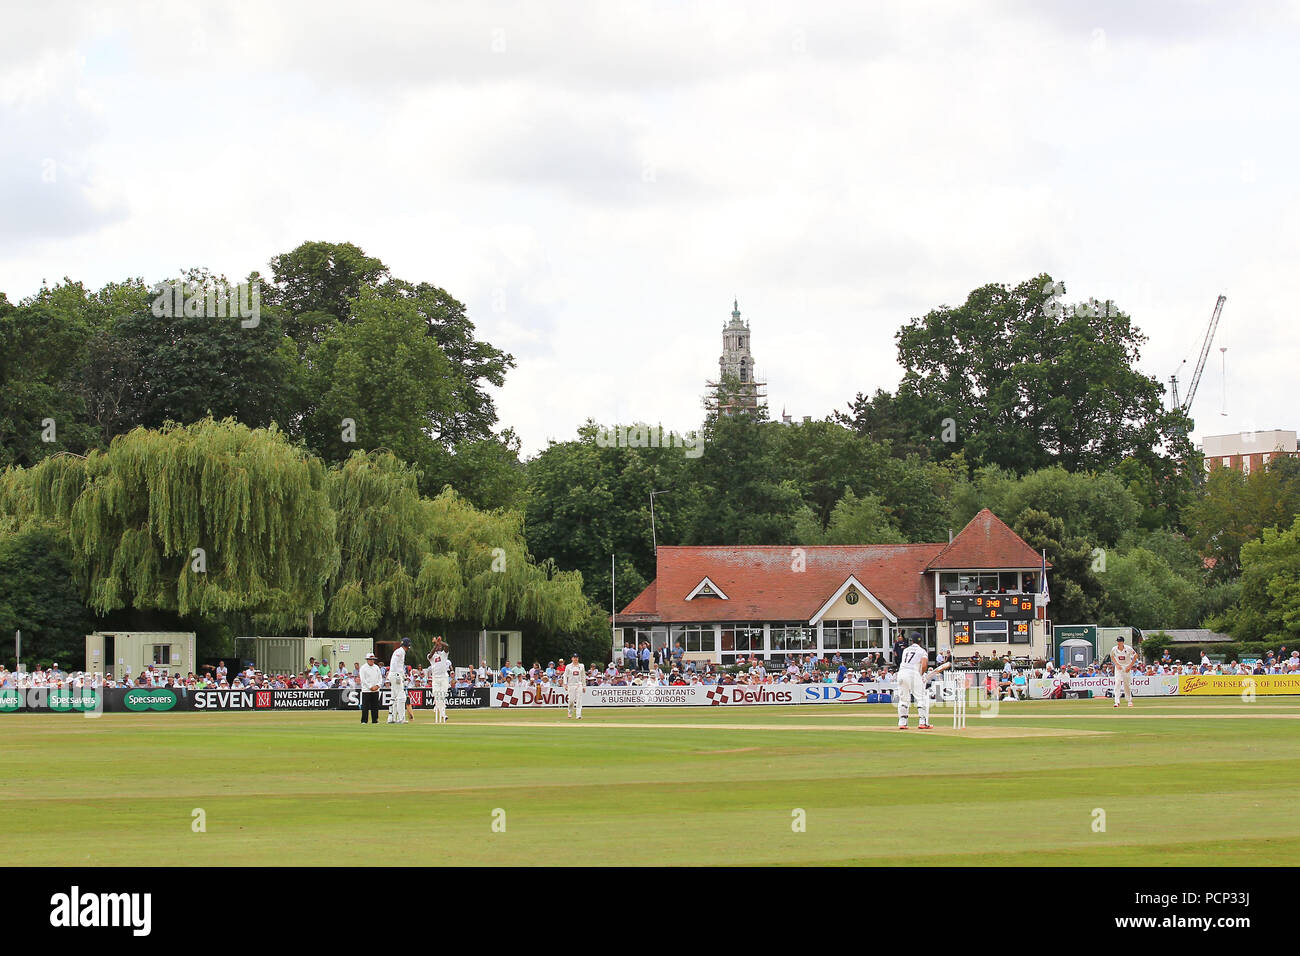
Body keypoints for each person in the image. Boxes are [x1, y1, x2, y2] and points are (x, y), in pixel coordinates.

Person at [896, 631, 932, 730]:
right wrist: (921, 674)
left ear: (912, 641)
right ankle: (922, 722)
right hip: (913, 673)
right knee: (920, 698)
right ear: (920, 642)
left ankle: (902, 722)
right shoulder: (922, 651)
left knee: (903, 699)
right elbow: (924, 665)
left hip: (901, 673)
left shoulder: (906, 650)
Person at [427, 639, 453, 724]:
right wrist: (436, 645)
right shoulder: (431, 656)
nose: (439, 647)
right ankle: (442, 713)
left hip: (444, 677)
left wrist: (440, 642)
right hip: (435, 678)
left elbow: (447, 646)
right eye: (438, 646)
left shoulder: (444, 654)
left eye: (440, 646)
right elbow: (430, 655)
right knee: (436, 694)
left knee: (442, 695)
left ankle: (438, 708)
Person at [388, 638, 411, 724]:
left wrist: (403, 675)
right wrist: (398, 675)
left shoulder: (400, 651)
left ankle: (391, 718)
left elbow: (398, 665)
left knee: (394, 697)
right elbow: (394, 663)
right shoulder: (400, 651)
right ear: (407, 646)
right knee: (402, 697)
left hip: (395, 674)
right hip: (395, 675)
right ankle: (401, 718)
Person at [1110, 635, 1135, 709]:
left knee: (1126, 684)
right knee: (1117, 683)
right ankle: (1116, 702)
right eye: (1118, 641)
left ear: (1123, 642)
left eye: (1120, 641)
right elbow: (1112, 656)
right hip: (1119, 667)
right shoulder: (1114, 649)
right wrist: (1117, 664)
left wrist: (1130, 666)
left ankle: (1129, 701)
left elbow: (1136, 655)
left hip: (1127, 667)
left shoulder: (1128, 648)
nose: (1119, 643)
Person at [358, 653, 383, 725]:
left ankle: (375, 720)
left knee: (375, 706)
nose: (372, 661)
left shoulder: (376, 667)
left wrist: (377, 686)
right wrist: (370, 687)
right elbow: (363, 679)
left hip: (375, 689)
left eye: (373, 659)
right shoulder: (363, 668)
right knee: (365, 706)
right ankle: (364, 721)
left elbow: (380, 678)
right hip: (366, 690)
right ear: (367, 660)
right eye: (370, 659)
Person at [564, 653, 587, 719]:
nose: (575, 659)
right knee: (571, 700)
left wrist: (584, 686)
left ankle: (578, 715)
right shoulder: (568, 666)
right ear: (572, 658)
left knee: (579, 700)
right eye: (574, 657)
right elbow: (565, 675)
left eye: (576, 657)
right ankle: (570, 712)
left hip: (579, 684)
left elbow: (583, 676)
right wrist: (565, 684)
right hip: (571, 684)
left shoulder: (581, 666)